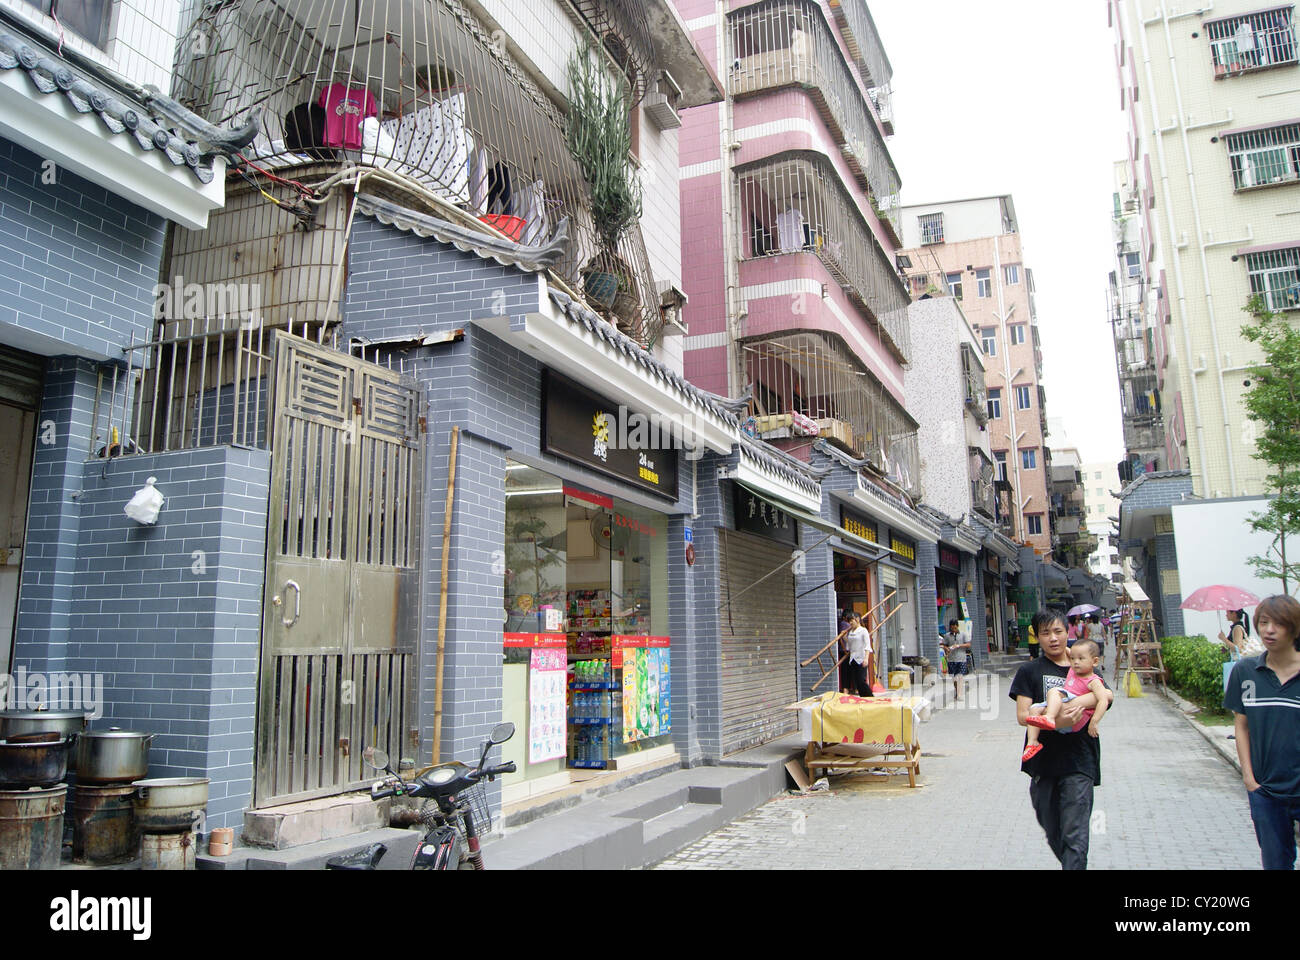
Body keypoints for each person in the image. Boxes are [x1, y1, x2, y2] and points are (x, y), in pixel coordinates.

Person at [1008, 609, 1115, 870]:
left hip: (1080, 761)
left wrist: (1068, 708)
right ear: (1036, 637)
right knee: (1053, 829)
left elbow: (1105, 697)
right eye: (1045, 633)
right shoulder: (1029, 671)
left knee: (1074, 833)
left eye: (1058, 631)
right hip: (1043, 763)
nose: (1053, 638)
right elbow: (1023, 715)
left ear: (1068, 632)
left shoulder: (1085, 664)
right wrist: (1060, 720)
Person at [1223, 594, 1300, 870]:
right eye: (1264, 622)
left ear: (1294, 628)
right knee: (1276, 864)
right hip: (1265, 789)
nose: (1268, 630)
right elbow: (1241, 725)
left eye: (1278, 623)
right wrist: (1249, 778)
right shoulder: (1246, 672)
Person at [1020, 639, 1110, 762]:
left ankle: (1050, 717)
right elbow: (1068, 651)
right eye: (1072, 659)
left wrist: (1094, 722)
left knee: (1054, 691)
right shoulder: (1073, 670)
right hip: (1063, 710)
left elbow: (1103, 700)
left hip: (1075, 718)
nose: (1075, 662)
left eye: (1081, 658)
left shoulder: (1093, 681)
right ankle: (1032, 743)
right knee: (1034, 709)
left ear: (1094, 661)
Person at [1218, 609, 1261, 693]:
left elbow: (1238, 648)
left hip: (1240, 665)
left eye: (1227, 612)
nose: (1226, 614)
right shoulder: (1237, 627)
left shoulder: (1237, 628)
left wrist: (1223, 639)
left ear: (1234, 613)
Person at [844, 613, 873, 698]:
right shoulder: (850, 632)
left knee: (861, 680)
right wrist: (844, 637)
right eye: (849, 621)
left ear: (857, 619)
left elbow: (867, 646)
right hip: (852, 658)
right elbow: (850, 645)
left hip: (861, 658)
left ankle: (870, 696)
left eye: (852, 620)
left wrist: (866, 659)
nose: (850, 623)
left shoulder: (863, 631)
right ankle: (863, 697)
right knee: (856, 681)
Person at [942, 618, 970, 701]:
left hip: (961, 659)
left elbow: (968, 644)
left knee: (960, 677)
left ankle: (959, 694)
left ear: (957, 626)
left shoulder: (963, 634)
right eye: (952, 628)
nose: (953, 629)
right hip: (951, 659)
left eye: (955, 627)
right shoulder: (947, 636)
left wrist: (959, 645)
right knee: (954, 678)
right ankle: (957, 691)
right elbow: (944, 645)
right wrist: (946, 649)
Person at [835, 610, 852, 693]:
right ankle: (846, 688)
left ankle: (849, 688)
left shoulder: (848, 624)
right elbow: (841, 638)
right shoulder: (844, 624)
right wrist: (844, 649)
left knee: (849, 670)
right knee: (846, 670)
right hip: (845, 650)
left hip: (849, 649)